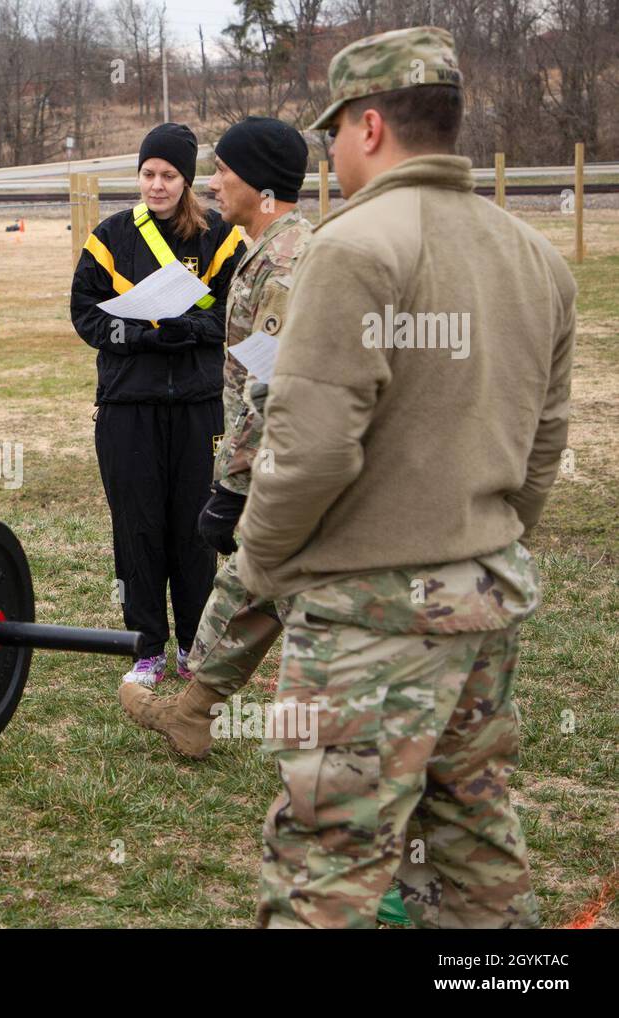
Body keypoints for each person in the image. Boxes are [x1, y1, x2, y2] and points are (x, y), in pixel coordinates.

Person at [233, 26, 574, 928]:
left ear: (370, 126)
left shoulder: (349, 249)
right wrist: (477, 547)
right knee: (474, 849)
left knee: (327, 863)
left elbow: (308, 451)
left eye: (333, 133)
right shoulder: (534, 256)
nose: (333, 154)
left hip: (366, 619)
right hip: (486, 602)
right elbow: (544, 446)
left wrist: (259, 561)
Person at [118, 116, 311, 756]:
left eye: (225, 169)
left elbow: (271, 383)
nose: (216, 181)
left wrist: (231, 484)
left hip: (289, 463)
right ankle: (193, 713)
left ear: (258, 184)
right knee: (255, 586)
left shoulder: (283, 261)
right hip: (279, 459)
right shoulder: (268, 248)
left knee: (286, 593)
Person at [70, 122, 246, 688]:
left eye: (169, 175)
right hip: (128, 406)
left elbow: (239, 312)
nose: (157, 185)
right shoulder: (110, 236)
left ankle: (195, 645)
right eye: (148, 174)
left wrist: (191, 328)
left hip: (198, 406)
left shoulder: (220, 236)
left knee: (194, 531)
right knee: (138, 528)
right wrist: (143, 337)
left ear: (187, 180)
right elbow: (86, 314)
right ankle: (145, 646)